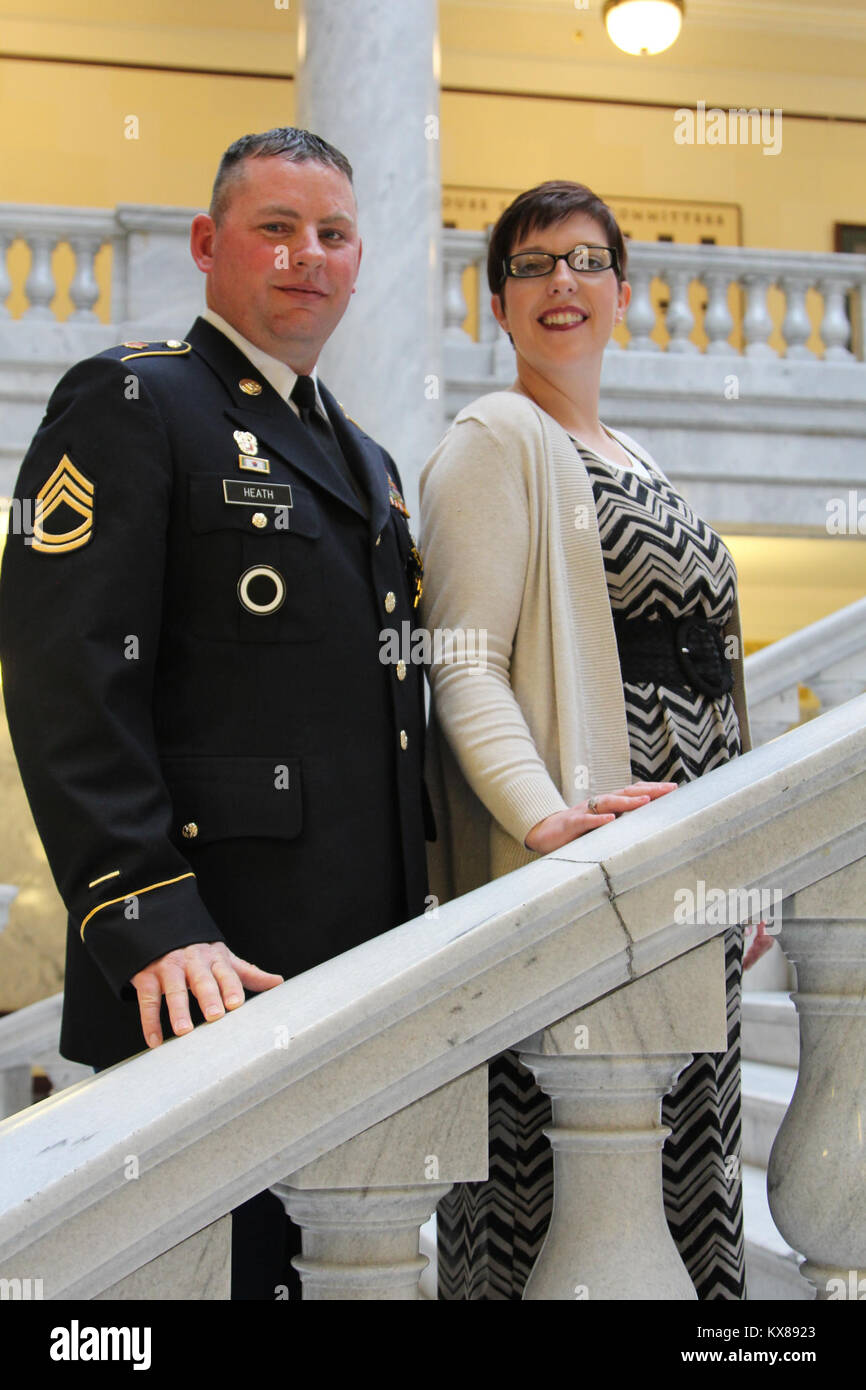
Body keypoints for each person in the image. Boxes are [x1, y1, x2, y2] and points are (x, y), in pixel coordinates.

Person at [0, 127, 430, 1298]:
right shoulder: (136, 399)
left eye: (333, 235)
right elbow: (65, 672)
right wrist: (144, 912)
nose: (308, 256)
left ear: (358, 261)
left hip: (356, 968)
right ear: (206, 244)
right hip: (206, 967)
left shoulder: (371, 460)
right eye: (275, 228)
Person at [420, 180, 763, 1300]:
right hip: (586, 868)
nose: (559, 282)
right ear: (497, 303)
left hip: (687, 872)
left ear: (621, 289)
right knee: (563, 1179)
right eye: (530, 265)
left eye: (582, 260)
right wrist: (540, 816)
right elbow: (463, 658)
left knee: (683, 1167)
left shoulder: (633, 452)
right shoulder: (492, 437)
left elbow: (713, 674)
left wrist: (745, 864)